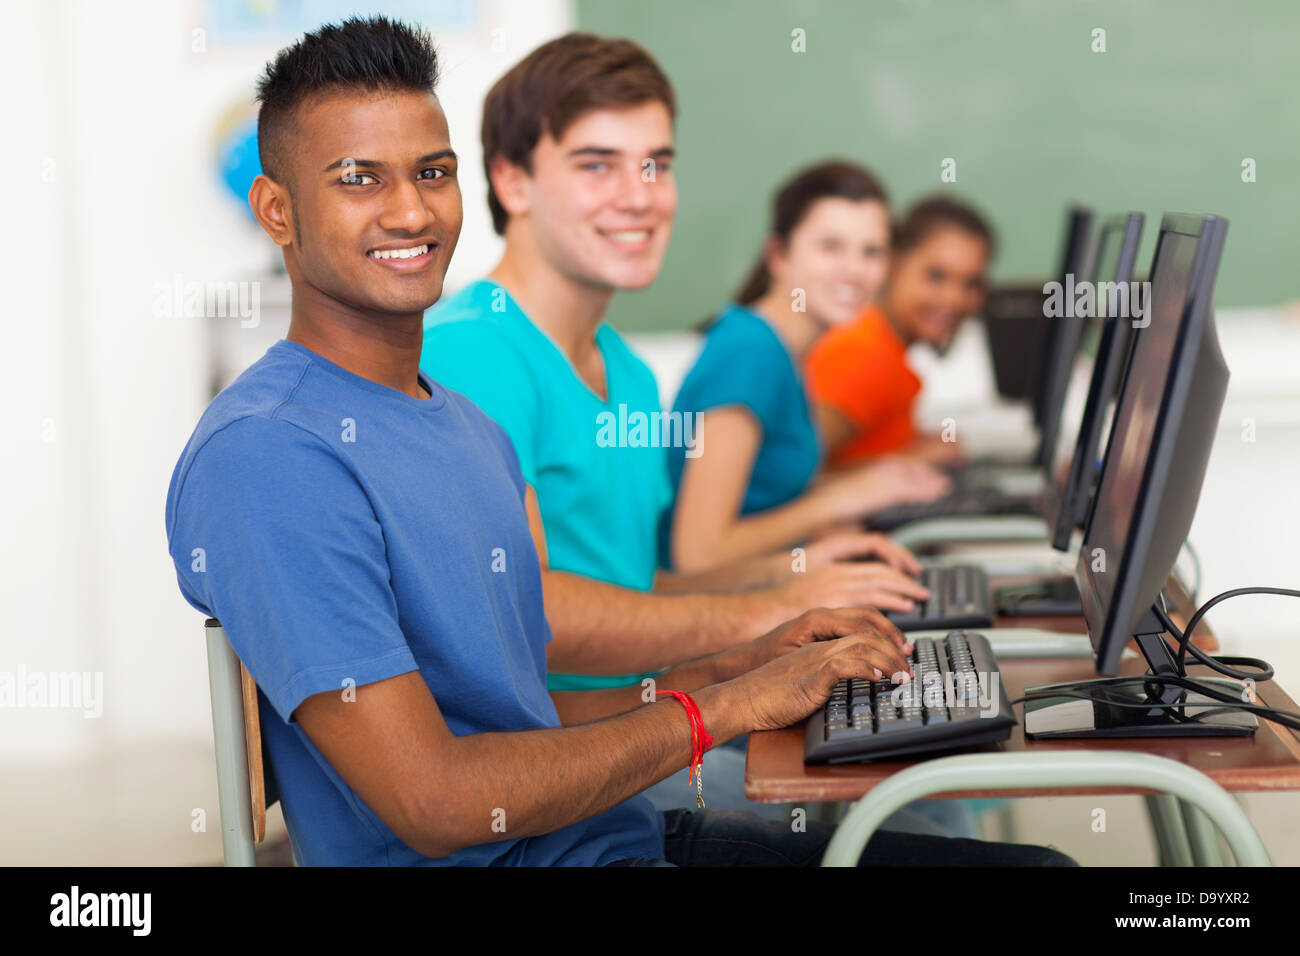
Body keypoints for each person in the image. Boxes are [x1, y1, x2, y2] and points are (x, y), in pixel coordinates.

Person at [166, 17, 1075, 867]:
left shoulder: (460, 420)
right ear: (276, 211)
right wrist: (722, 705)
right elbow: (436, 800)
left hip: (612, 835)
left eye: (432, 173)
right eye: (359, 178)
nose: (410, 212)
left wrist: (747, 661)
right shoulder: (270, 456)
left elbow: (516, 711)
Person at [663, 162, 952, 574]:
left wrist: (869, 483)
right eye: (830, 247)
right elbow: (697, 556)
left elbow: (763, 499)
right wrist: (832, 504)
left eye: (871, 251)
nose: (853, 270)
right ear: (778, 256)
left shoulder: (785, 351)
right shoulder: (750, 352)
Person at [806, 196, 995, 469]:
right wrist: (904, 462)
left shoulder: (886, 349)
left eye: (972, 283)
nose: (954, 299)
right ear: (892, 265)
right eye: (936, 276)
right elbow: (784, 480)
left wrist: (908, 448)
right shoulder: (864, 356)